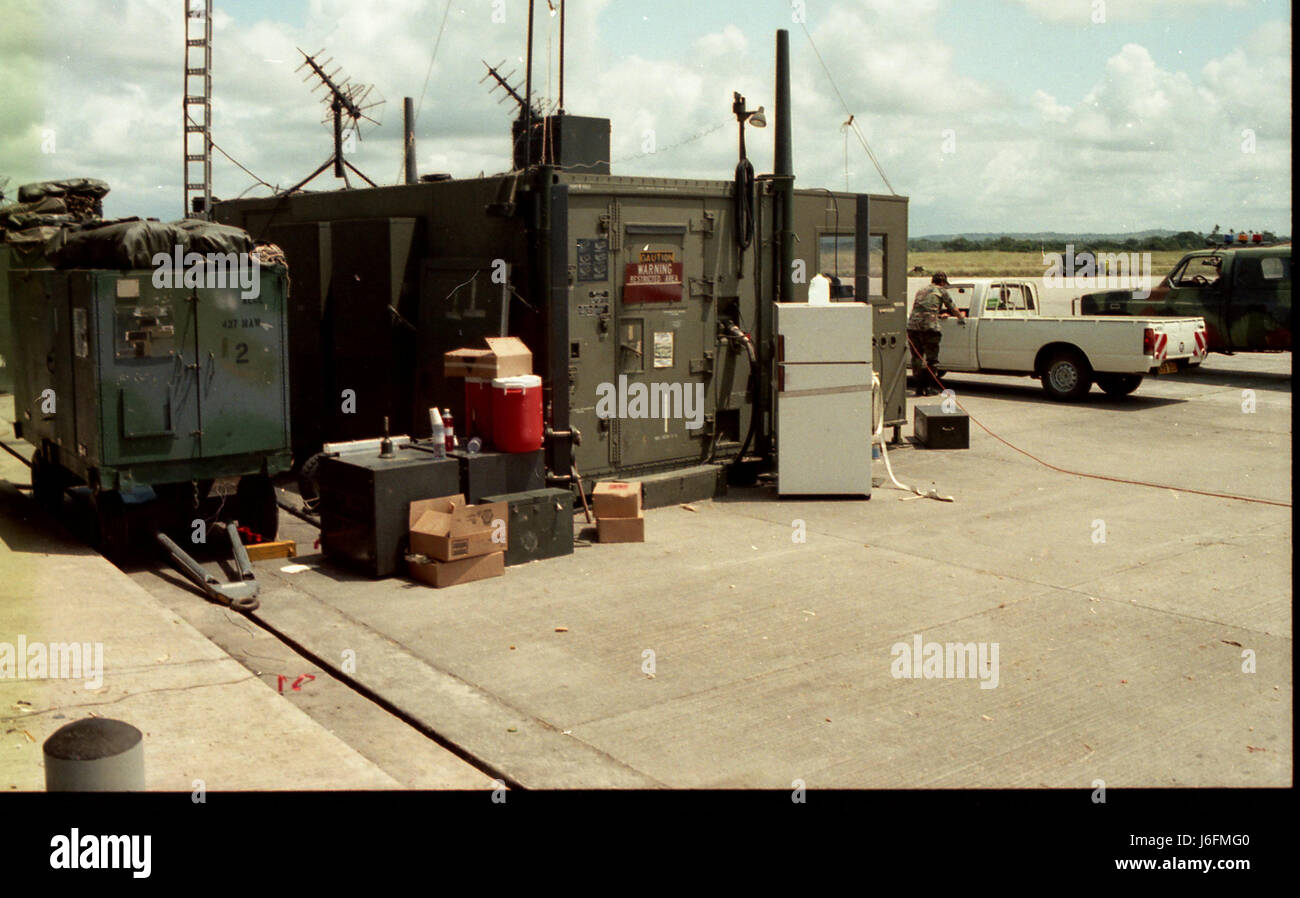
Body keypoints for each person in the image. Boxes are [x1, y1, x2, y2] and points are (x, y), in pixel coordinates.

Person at [907, 271, 964, 396]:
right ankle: (929, 387)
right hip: (930, 328)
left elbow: (922, 309)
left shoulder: (921, 290)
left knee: (917, 358)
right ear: (942, 282)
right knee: (932, 359)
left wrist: (938, 314)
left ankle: (918, 387)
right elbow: (952, 307)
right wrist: (961, 317)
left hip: (912, 327)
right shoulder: (941, 290)